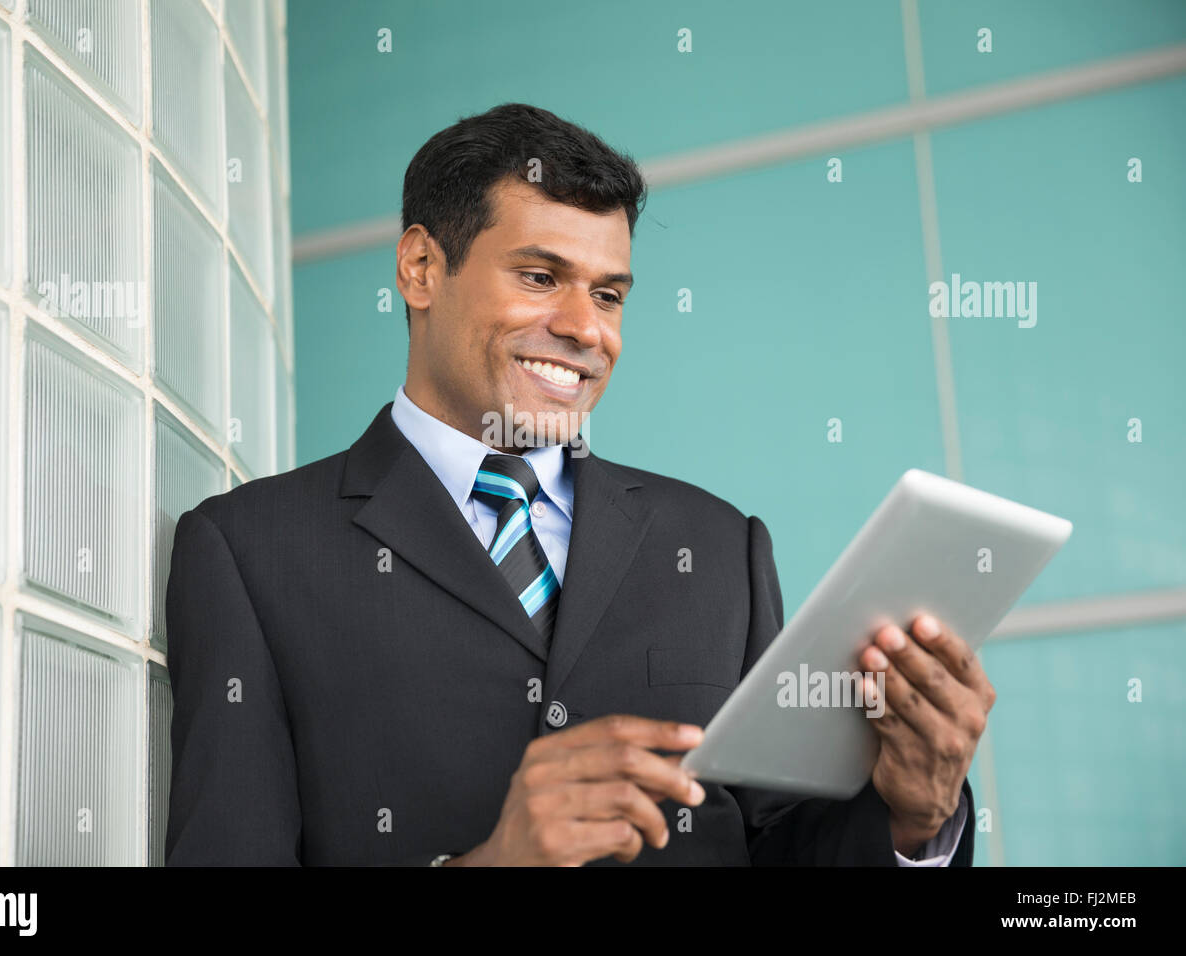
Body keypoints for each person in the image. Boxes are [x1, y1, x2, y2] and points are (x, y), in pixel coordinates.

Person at [164, 103, 990, 866]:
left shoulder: (717, 546)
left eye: (607, 294)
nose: (585, 328)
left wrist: (913, 818)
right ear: (420, 267)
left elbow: (779, 845)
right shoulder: (249, 552)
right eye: (538, 277)